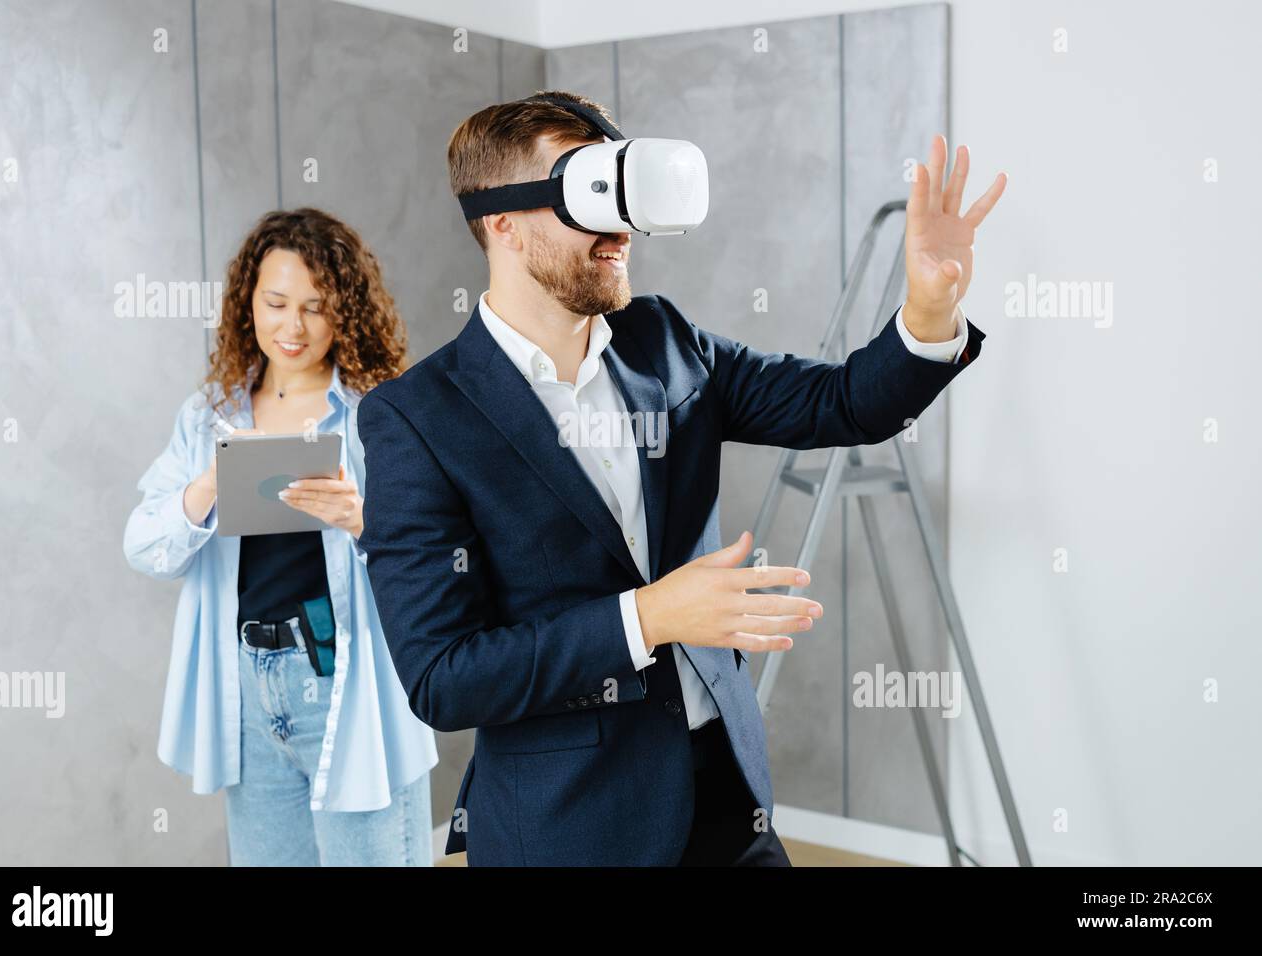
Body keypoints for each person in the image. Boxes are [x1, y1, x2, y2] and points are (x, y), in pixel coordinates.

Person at [356, 91, 1005, 866]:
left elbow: (842, 405)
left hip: (728, 799)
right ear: (502, 221)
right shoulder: (417, 418)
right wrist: (648, 617)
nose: (622, 228)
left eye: (623, 194)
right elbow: (444, 678)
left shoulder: (661, 340)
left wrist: (929, 311)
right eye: (591, 193)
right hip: (574, 827)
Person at [124, 208, 437, 866]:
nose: (292, 327)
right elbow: (145, 546)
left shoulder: (377, 412)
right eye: (276, 303)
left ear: (344, 314)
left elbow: (441, 554)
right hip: (248, 683)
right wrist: (208, 485)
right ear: (249, 302)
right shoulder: (209, 415)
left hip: (340, 675)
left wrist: (362, 521)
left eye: (315, 308)